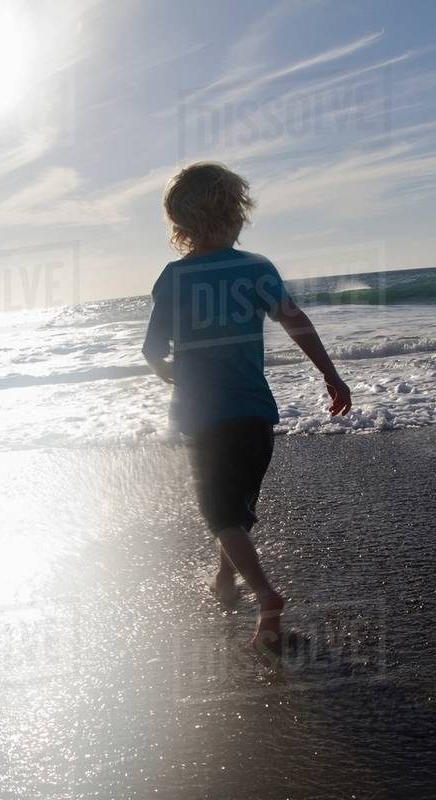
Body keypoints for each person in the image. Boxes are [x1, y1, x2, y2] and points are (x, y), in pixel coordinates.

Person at [142, 162, 352, 655]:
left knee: (220, 512)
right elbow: (295, 321)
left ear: (181, 225)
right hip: (256, 414)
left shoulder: (173, 279)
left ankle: (266, 597)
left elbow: (152, 350)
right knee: (236, 508)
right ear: (236, 216)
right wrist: (330, 374)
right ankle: (224, 581)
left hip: (202, 416)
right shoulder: (257, 268)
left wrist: (170, 373)